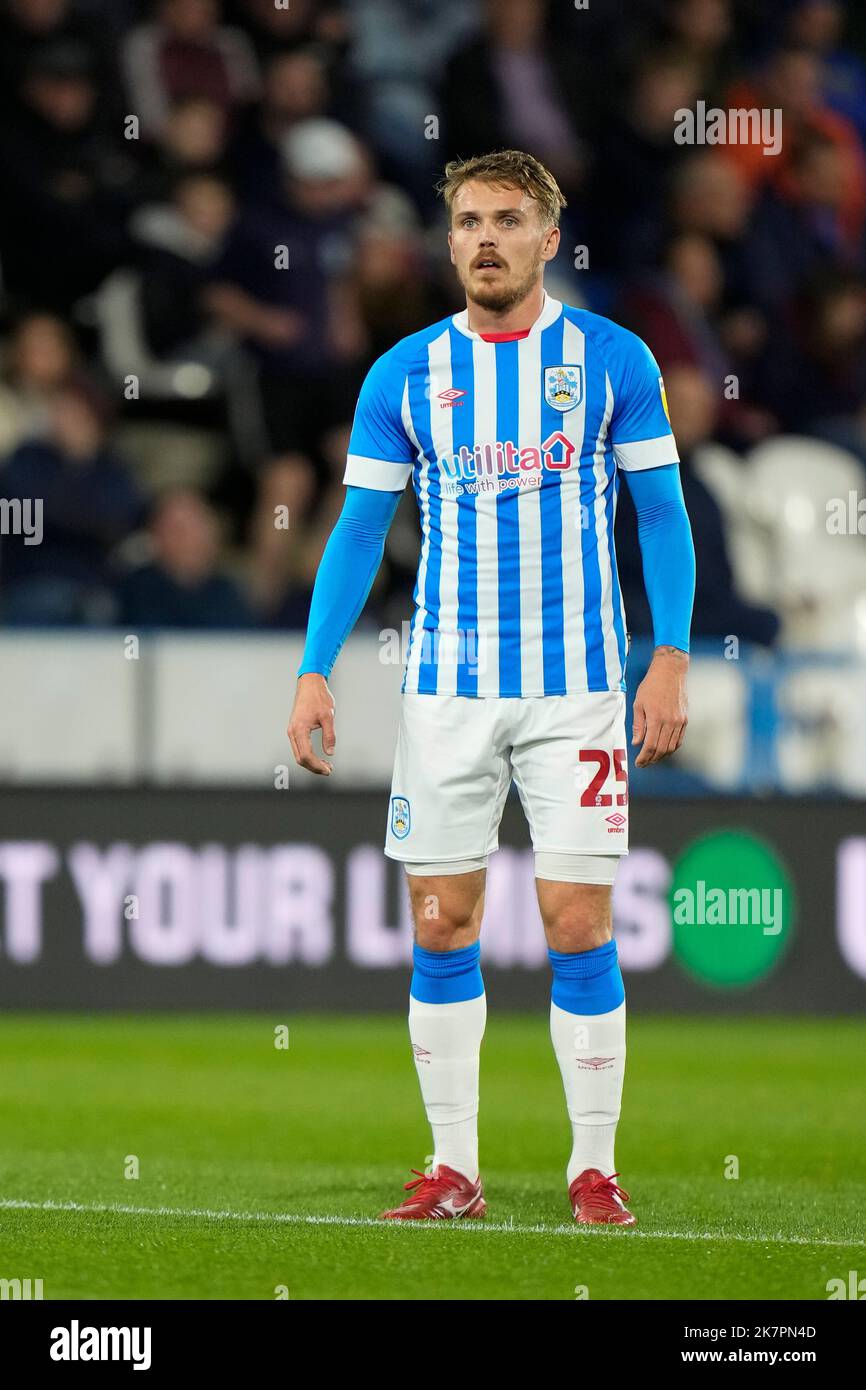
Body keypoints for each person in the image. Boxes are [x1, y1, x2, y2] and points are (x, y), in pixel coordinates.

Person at [287, 149, 695, 1226]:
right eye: (466, 219)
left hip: (575, 693)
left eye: (506, 220)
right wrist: (313, 669)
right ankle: (453, 1168)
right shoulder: (404, 374)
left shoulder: (611, 360)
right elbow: (359, 531)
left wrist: (671, 653)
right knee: (440, 922)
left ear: (547, 238)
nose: (482, 237)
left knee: (573, 919)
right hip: (447, 692)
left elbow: (658, 512)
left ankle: (591, 1169)